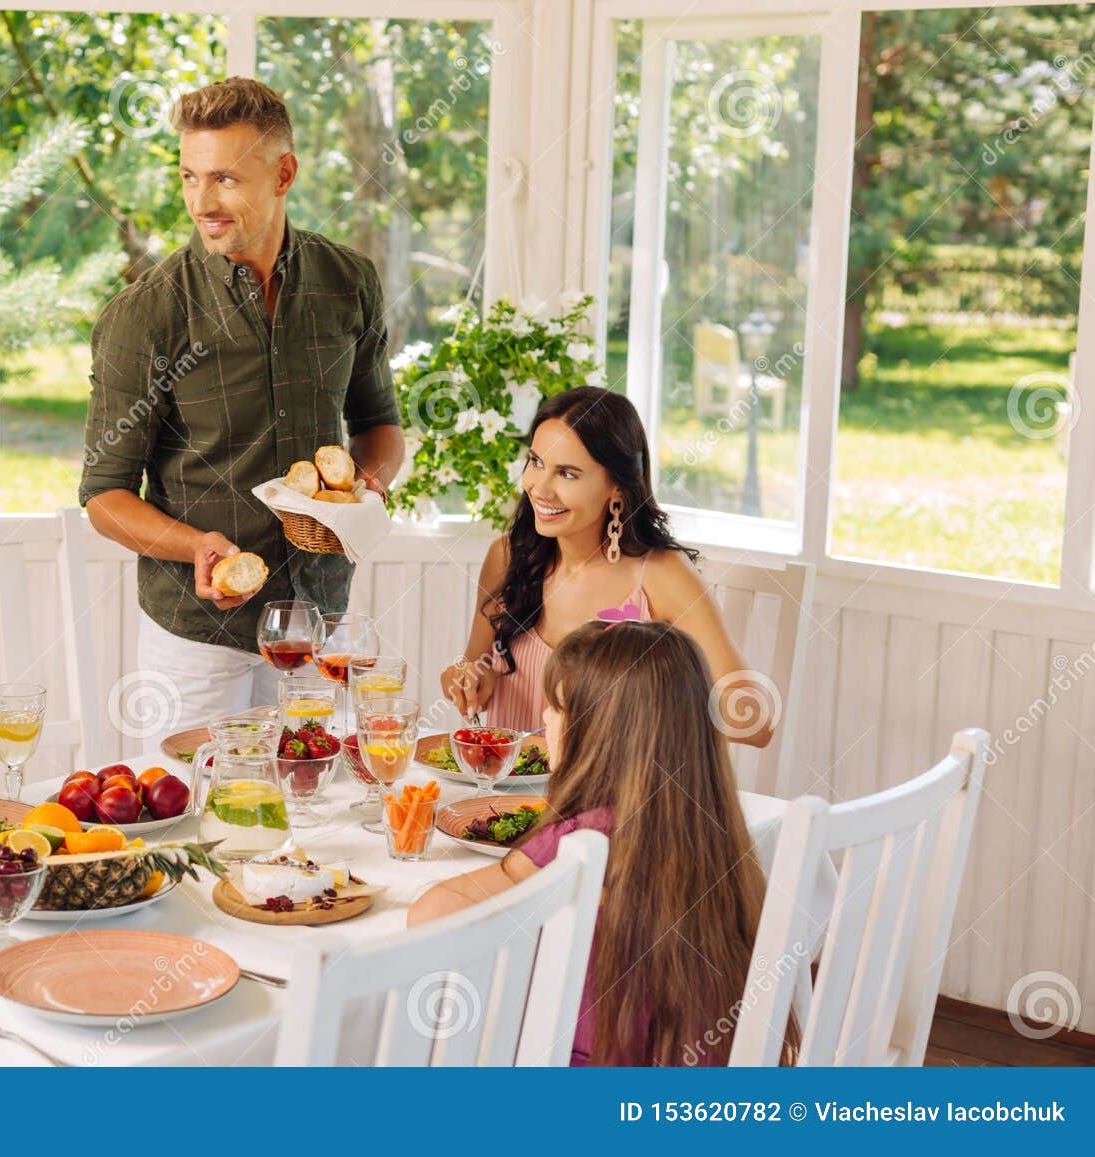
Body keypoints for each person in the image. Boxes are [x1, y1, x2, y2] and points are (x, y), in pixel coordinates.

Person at [78, 77, 404, 724]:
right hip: (199, 640)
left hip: (319, 622)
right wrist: (196, 545)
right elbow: (104, 497)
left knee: (314, 812)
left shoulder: (348, 283)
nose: (203, 202)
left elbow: (379, 424)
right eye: (189, 177)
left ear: (284, 173)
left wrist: (369, 483)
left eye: (225, 178)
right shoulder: (144, 316)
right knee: (200, 821)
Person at [410, 620, 787, 1065]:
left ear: (600, 735)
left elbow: (432, 913)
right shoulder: (709, 826)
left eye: (557, 707)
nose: (545, 718)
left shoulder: (581, 839)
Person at [440, 387, 775, 746]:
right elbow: (474, 663)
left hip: (613, 799)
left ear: (617, 486)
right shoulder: (507, 557)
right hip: (502, 796)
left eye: (567, 474)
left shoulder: (661, 575)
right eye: (536, 462)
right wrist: (470, 676)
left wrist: (646, 704)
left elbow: (756, 725)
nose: (540, 488)